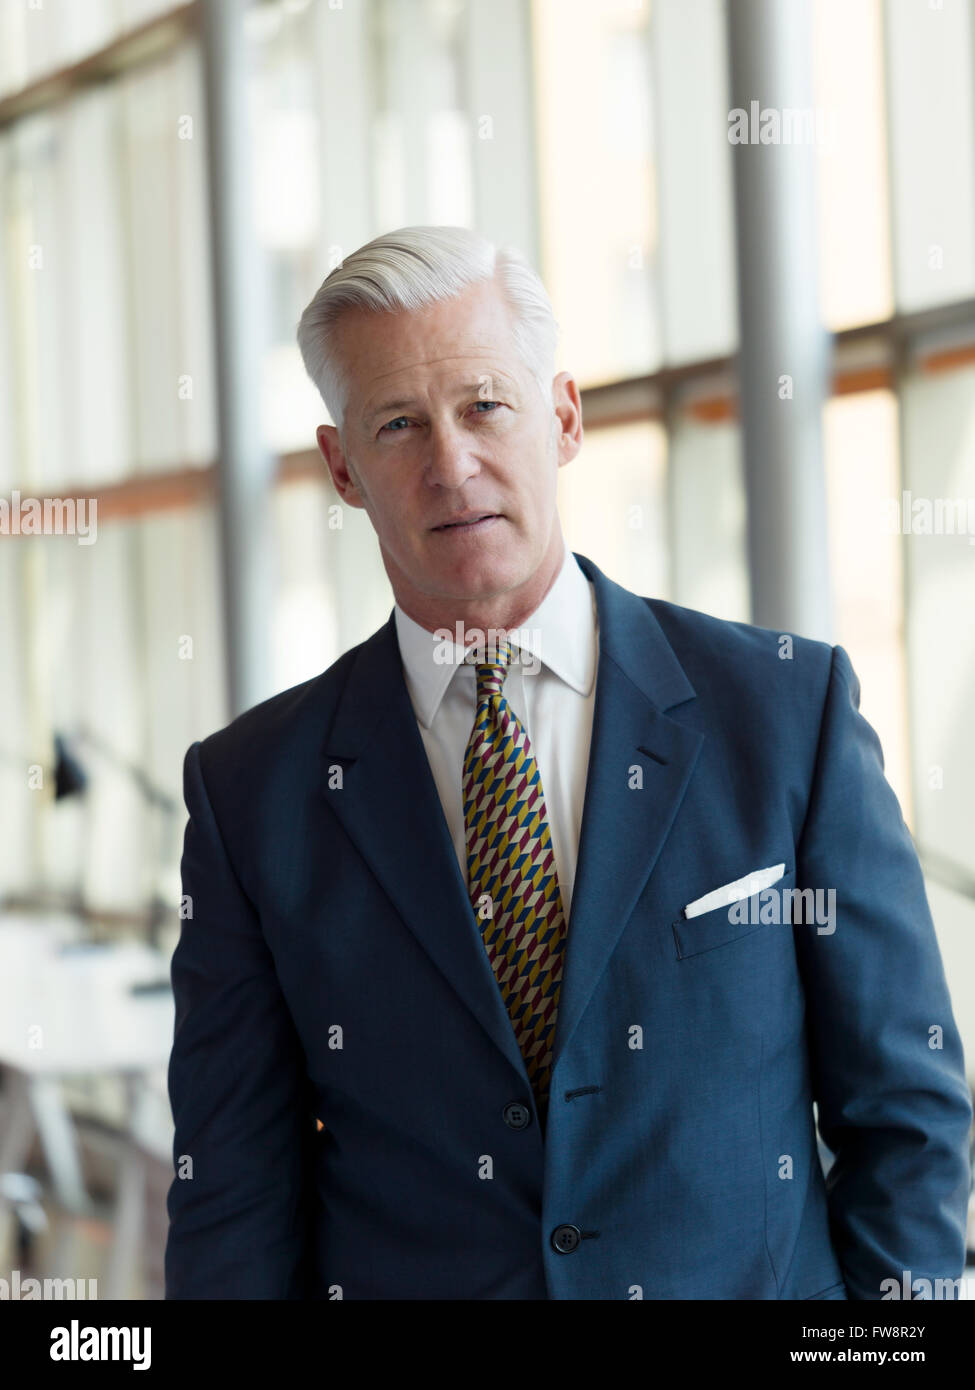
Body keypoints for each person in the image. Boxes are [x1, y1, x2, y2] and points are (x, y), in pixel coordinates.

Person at [165, 224, 972, 1300]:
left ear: (564, 417)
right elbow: (232, 1195)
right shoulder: (252, 792)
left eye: (486, 405)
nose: (451, 464)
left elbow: (907, 1117)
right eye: (398, 423)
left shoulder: (782, 714)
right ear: (343, 469)